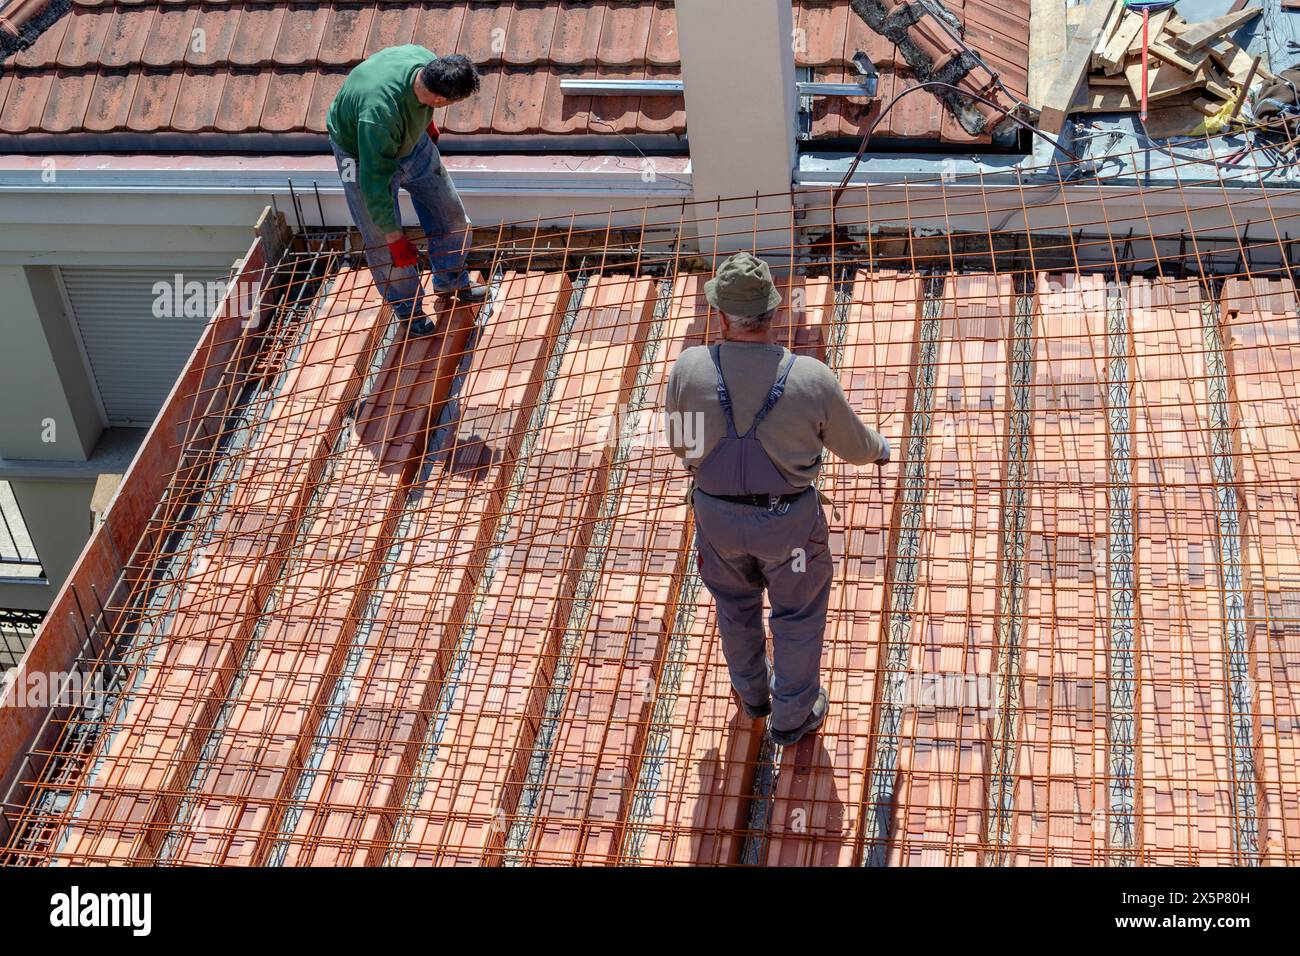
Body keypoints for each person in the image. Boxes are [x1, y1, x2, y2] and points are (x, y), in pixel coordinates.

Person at [665, 252, 890, 746]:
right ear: (777, 311)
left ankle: (753, 697)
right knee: (798, 614)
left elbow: (682, 444)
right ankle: (790, 719)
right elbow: (855, 448)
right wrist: (880, 449)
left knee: (734, 605)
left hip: (718, 521)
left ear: (720, 315)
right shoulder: (810, 378)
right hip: (787, 524)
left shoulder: (689, 369)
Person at [327, 45, 488, 337]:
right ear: (439, 98)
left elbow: (418, 107)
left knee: (451, 216)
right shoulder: (378, 115)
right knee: (382, 241)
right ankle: (408, 309)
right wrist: (394, 237)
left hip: (411, 144)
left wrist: (424, 126)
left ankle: (449, 279)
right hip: (362, 155)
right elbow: (374, 183)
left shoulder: (425, 61)